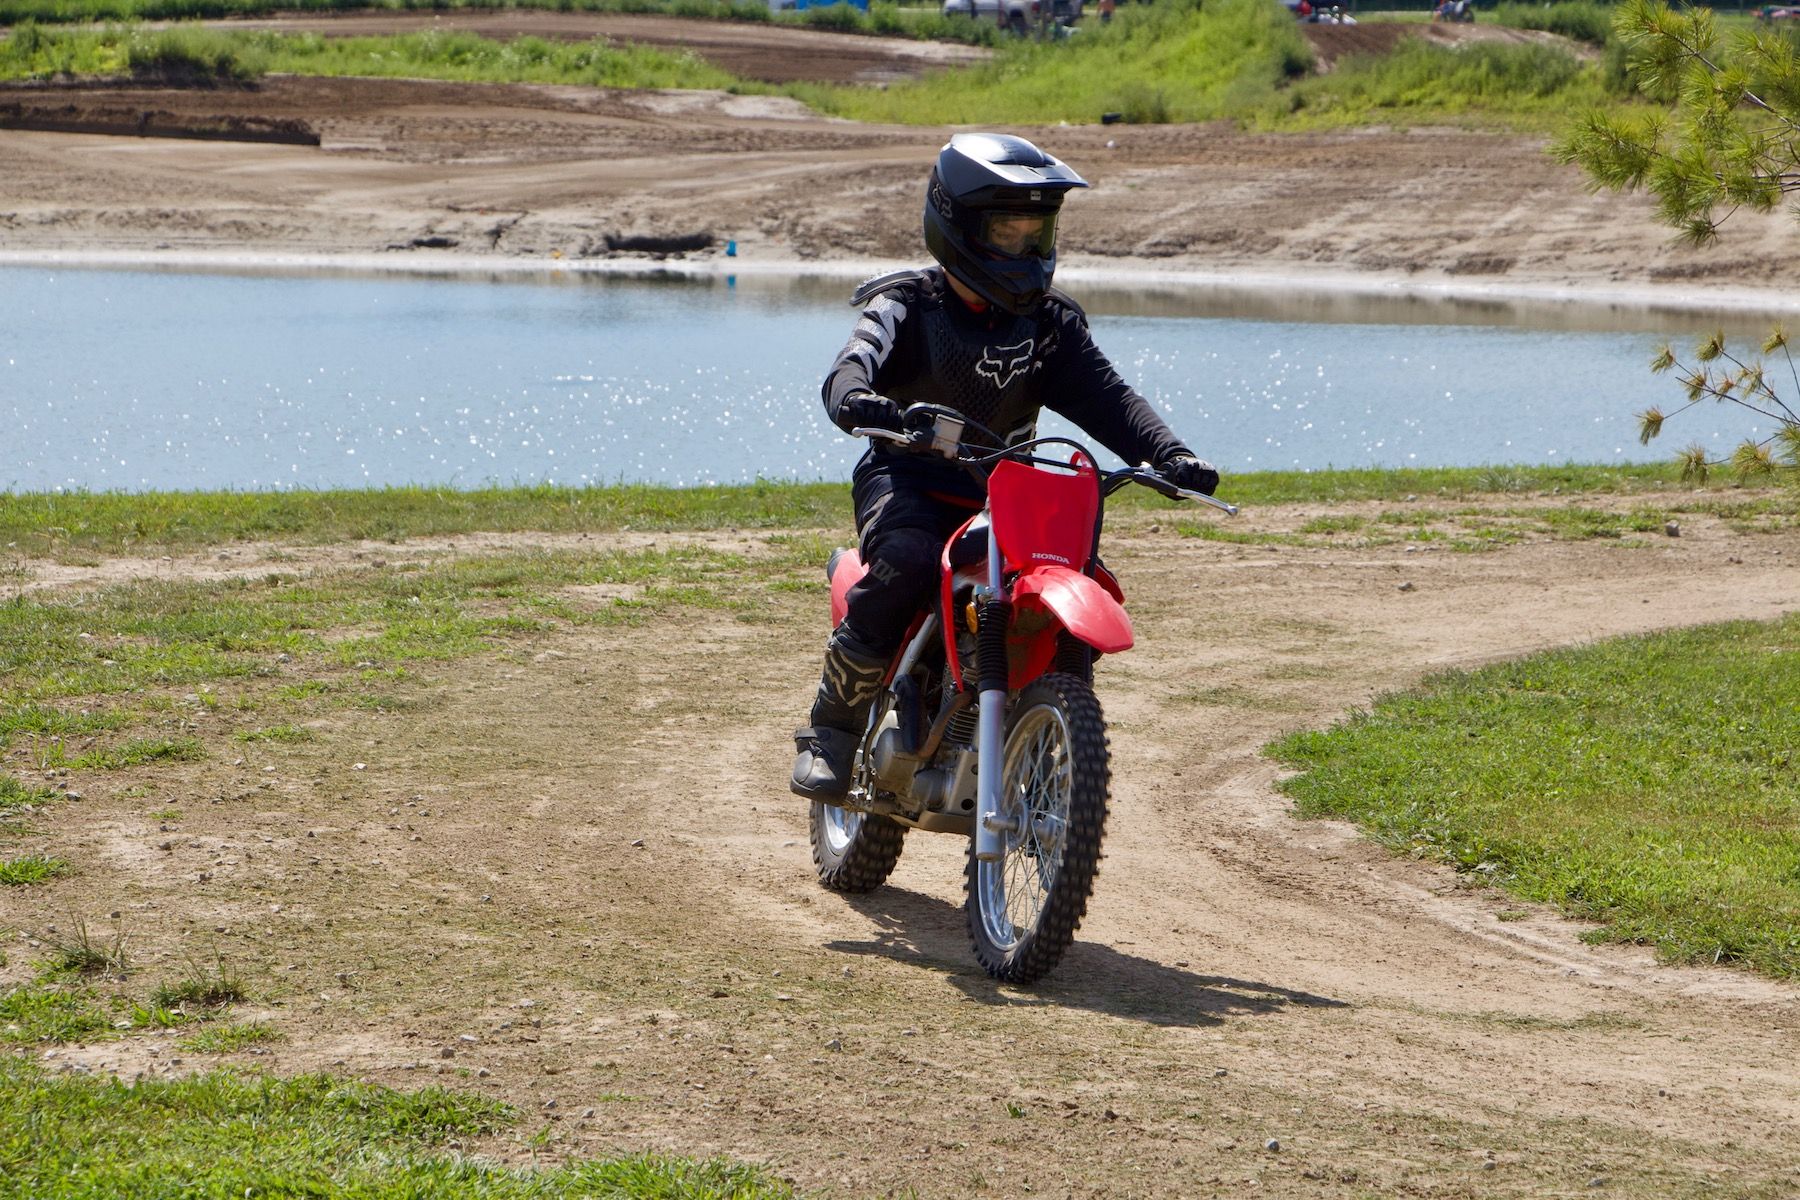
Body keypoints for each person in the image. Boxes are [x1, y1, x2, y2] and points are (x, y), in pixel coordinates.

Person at [790, 132, 1219, 803]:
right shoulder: (907, 304)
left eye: (1036, 231)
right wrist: (860, 402)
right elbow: (850, 368)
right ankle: (832, 731)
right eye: (1008, 231)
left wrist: (1169, 453)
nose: (1027, 247)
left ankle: (1051, 743)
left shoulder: (1050, 326)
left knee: (1082, 577)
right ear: (957, 224)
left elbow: (1109, 398)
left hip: (1005, 493)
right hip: (907, 479)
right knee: (907, 556)